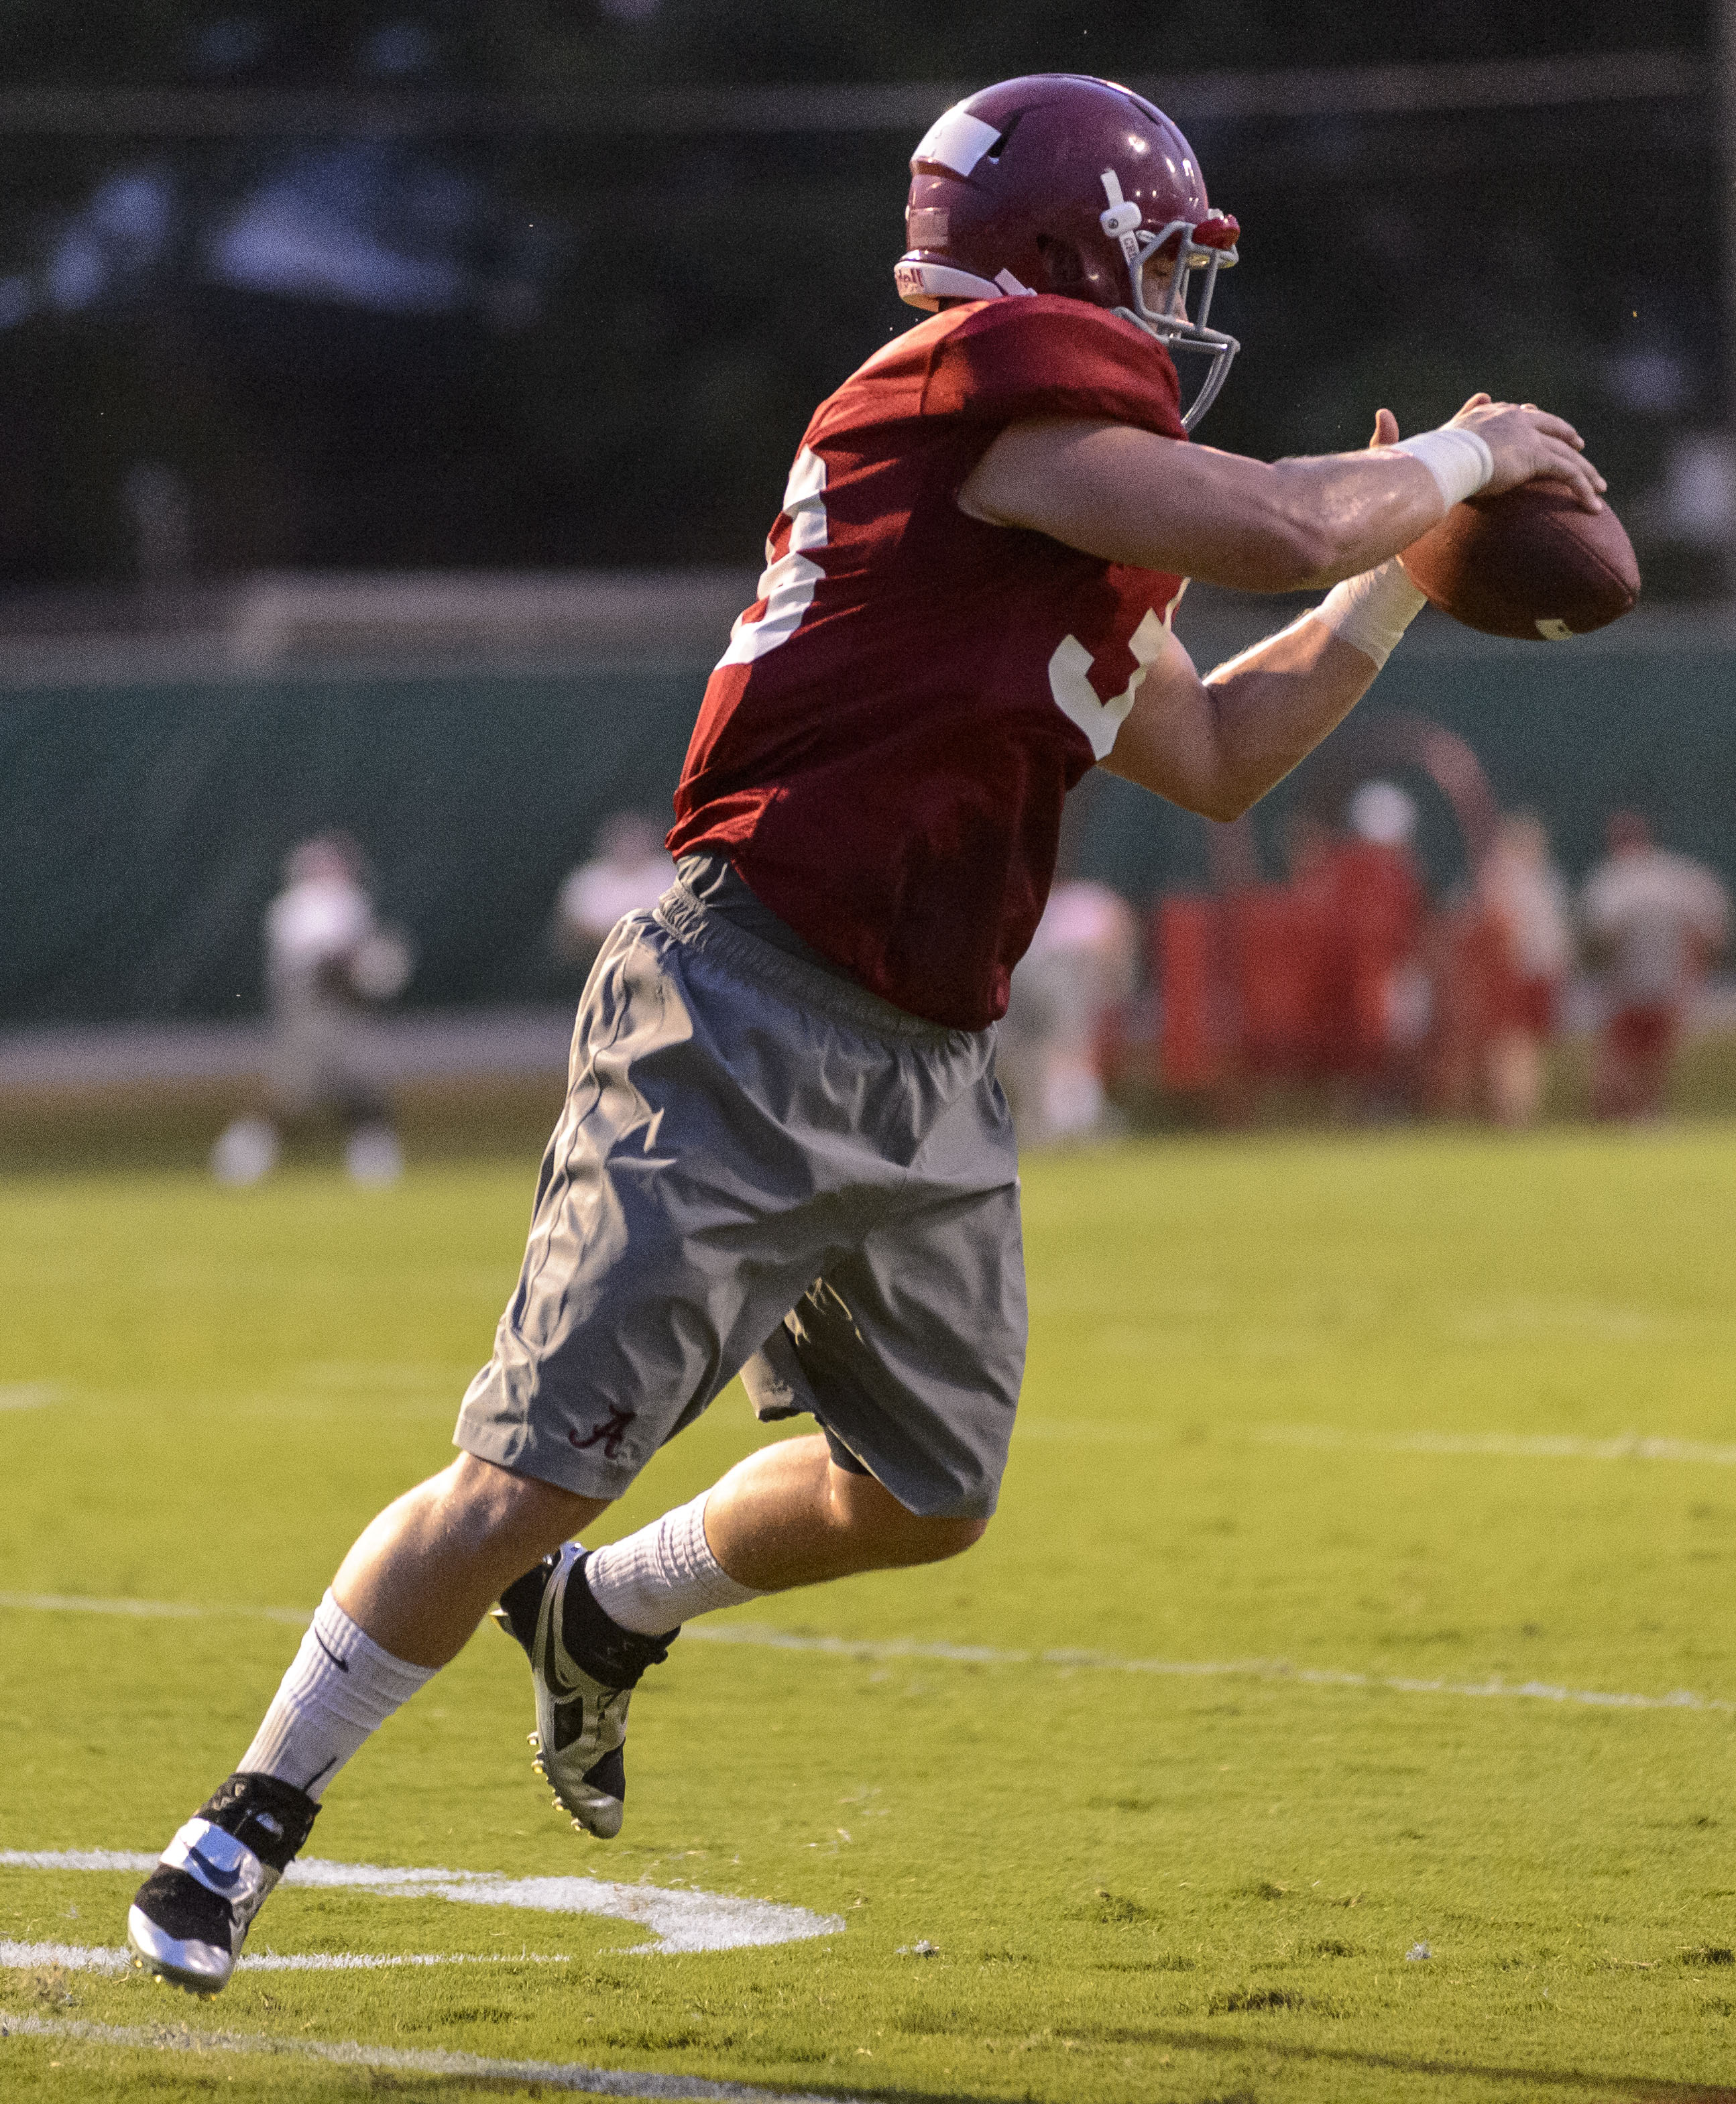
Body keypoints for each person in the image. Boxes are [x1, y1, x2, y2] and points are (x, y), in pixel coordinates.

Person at [127, 72, 1605, 1993]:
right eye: (1156, 252)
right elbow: (1273, 520)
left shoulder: (1063, 503)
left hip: (925, 1052)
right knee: (532, 1464)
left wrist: (1399, 591)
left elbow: (1226, 752)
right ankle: (248, 1815)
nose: (1174, 293)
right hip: (744, 1002)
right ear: (1067, 257)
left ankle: (603, 1621)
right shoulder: (984, 382)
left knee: (923, 1492)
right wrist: (1470, 458)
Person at [211, 834, 414, 1188]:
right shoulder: (296, 907)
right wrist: (365, 968)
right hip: (309, 1012)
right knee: (290, 1091)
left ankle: (375, 1164)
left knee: (360, 1087)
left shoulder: (350, 902)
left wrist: (368, 972)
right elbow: (323, 965)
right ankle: (239, 1156)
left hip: (346, 1013)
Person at [1580, 811, 1729, 1120]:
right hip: (1666, 983)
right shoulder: (1680, 876)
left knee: (1622, 1054)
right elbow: (1711, 931)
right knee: (1651, 1056)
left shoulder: (1611, 882)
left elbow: (1599, 939)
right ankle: (1642, 1111)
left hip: (1632, 984)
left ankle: (1624, 1113)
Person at [998, 877, 1140, 1143]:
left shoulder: (1086, 904)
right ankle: (1069, 1116)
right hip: (1028, 985)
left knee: (1052, 1041)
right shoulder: (1092, 909)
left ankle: (1065, 1115)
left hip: (1024, 988)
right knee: (1061, 1028)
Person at [1477, 810, 1574, 1125]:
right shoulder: (1506, 880)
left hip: (1534, 973)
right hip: (1515, 973)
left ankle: (1518, 1110)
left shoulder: (1544, 882)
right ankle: (1511, 1110)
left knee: (1524, 1044)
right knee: (1512, 1043)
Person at [551, 812, 676, 978]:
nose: (629, 846)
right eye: (623, 839)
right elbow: (572, 927)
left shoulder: (668, 874)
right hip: (593, 960)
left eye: (636, 839)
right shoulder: (589, 877)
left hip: (659, 959)